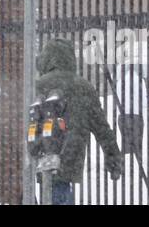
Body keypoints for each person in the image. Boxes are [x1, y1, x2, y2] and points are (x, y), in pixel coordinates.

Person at [34, 39, 122, 204]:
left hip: (40, 150)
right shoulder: (83, 87)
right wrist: (113, 157)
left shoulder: (37, 86)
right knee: (60, 189)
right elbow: (102, 128)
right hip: (71, 154)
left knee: (42, 190)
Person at [115, 64, 148, 154]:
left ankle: (126, 159)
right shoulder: (140, 81)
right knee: (137, 142)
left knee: (126, 141)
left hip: (122, 115)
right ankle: (137, 161)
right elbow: (144, 101)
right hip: (136, 115)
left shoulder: (120, 81)